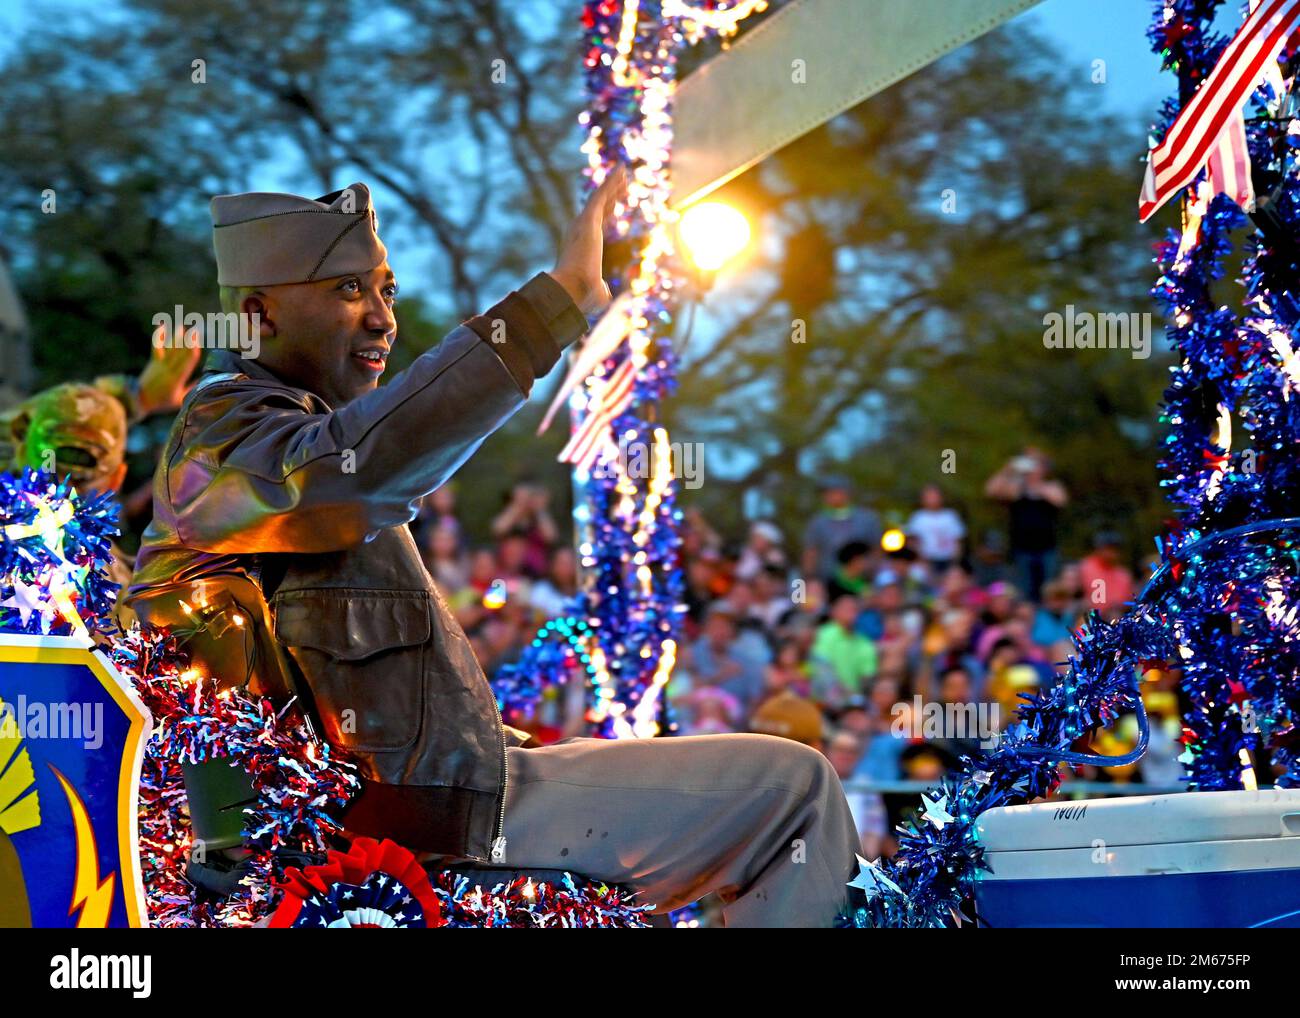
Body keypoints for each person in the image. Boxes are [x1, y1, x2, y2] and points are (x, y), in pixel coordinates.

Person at [123, 170, 859, 927]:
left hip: (451, 795)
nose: (382, 319)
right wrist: (556, 304)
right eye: (349, 291)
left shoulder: (282, 442)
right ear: (257, 315)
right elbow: (350, 471)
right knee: (792, 793)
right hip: (410, 827)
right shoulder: (225, 441)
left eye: (388, 293)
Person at [984, 447, 1068, 602]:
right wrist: (1008, 470)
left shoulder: (1051, 486)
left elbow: (1060, 499)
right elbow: (990, 490)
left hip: (1047, 550)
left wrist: (1036, 483)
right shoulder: (1016, 490)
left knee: (1049, 591)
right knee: (1024, 593)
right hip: (1022, 550)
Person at [801, 475, 882, 583]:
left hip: (862, 581)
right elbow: (810, 553)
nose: (828, 496)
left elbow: (877, 550)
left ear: (846, 492)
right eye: (825, 493)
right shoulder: (817, 522)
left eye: (833, 491)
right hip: (828, 582)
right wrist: (809, 578)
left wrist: (869, 568)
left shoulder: (867, 519)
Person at [904, 484, 965, 574]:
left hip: (947, 560)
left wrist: (955, 563)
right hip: (926, 560)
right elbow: (912, 541)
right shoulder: (918, 517)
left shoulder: (950, 516)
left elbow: (958, 541)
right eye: (929, 497)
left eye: (935, 496)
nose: (932, 500)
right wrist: (920, 559)